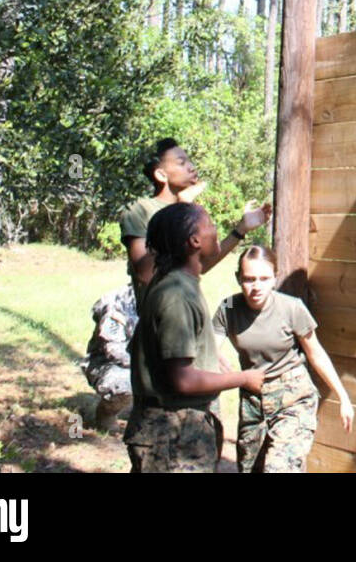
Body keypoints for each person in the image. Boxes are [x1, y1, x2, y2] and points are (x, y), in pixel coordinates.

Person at [123, 202, 265, 473]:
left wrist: (211, 356)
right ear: (194, 241)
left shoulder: (175, 281)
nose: (215, 230)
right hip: (171, 434)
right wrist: (244, 378)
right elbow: (183, 380)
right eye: (210, 225)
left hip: (174, 429)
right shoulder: (177, 295)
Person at [212, 246, 356, 473]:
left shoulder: (291, 308)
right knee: (250, 468)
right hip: (252, 400)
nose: (256, 287)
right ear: (238, 278)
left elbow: (315, 353)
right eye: (249, 279)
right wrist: (218, 360)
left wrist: (343, 397)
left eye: (264, 279)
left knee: (279, 468)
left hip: (292, 398)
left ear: (274, 278)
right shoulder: (229, 306)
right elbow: (209, 345)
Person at [117, 138, 271, 306]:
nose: (191, 167)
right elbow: (146, 273)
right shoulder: (139, 210)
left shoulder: (192, 210)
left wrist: (241, 229)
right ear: (161, 175)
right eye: (181, 163)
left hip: (190, 313)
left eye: (189, 160)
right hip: (161, 320)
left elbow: (201, 266)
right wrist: (183, 207)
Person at [79, 283, 138, 431]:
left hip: (149, 363)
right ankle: (106, 413)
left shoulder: (171, 298)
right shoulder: (118, 302)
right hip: (108, 364)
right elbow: (114, 349)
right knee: (126, 384)